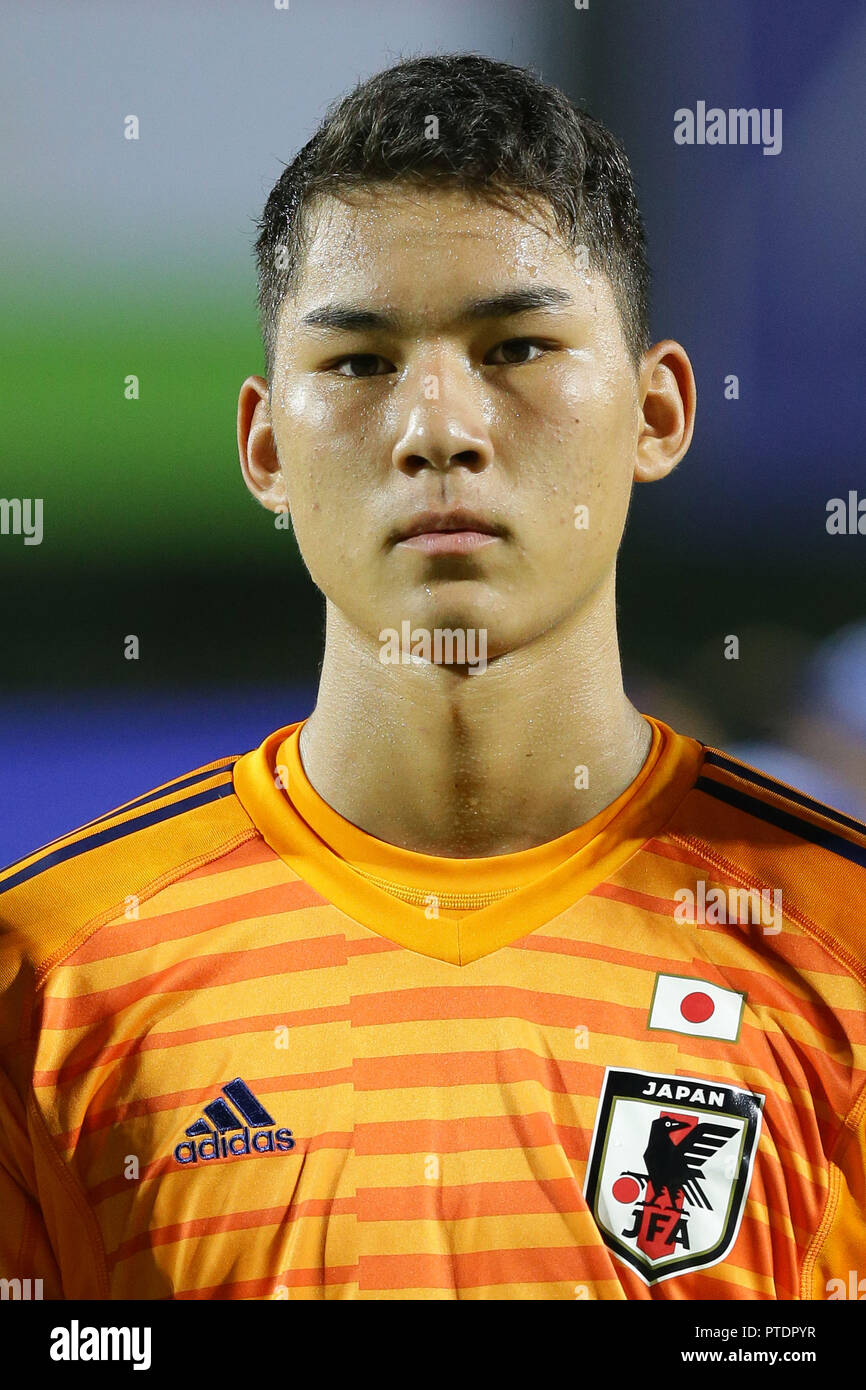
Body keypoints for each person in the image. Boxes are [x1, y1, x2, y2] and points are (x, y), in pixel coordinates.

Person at [1, 53, 863, 1302]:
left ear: (656, 413)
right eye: (357, 364)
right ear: (262, 448)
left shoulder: (837, 952)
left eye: (515, 345)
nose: (437, 429)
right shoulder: (50, 975)